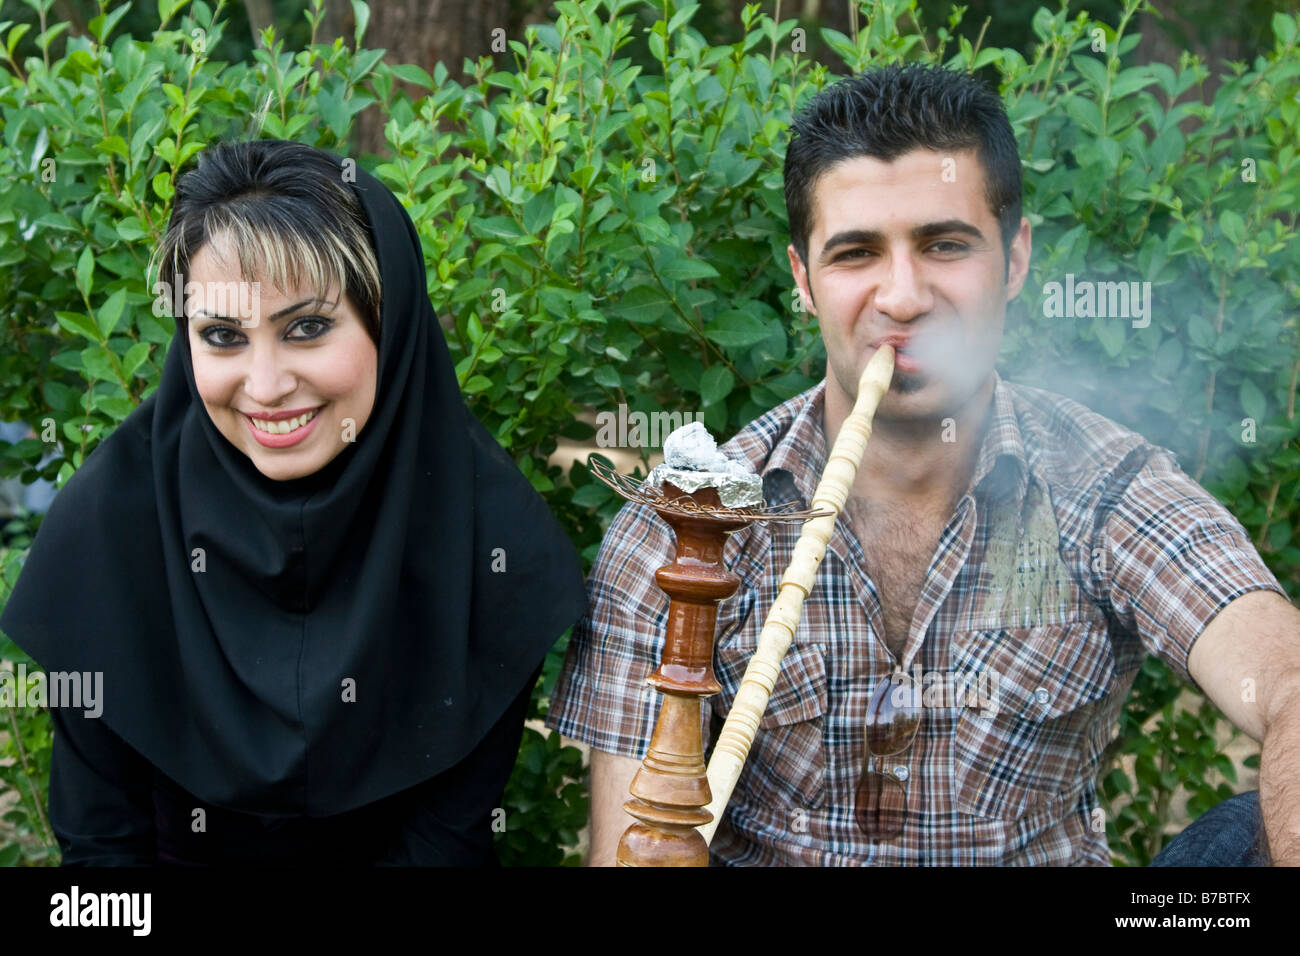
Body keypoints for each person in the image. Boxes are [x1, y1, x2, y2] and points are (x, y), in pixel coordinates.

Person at [546, 64, 1300, 866]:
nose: (902, 299)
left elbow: (1286, 681)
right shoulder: (684, 527)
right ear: (803, 280)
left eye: (944, 245)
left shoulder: (1107, 489)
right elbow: (627, 846)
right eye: (856, 253)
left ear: (1013, 260)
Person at [0, 140, 587, 865]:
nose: (266, 384)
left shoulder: (487, 541)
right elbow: (101, 854)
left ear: (388, 321)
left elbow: (445, 846)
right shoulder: (111, 529)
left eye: (306, 327)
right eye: (222, 337)